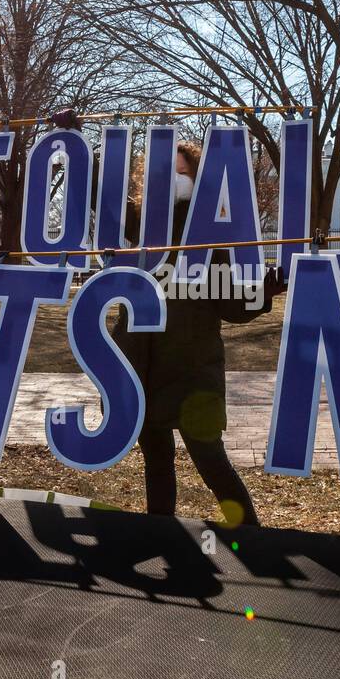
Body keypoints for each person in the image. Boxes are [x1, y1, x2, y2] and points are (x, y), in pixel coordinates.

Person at [114, 140, 284, 527]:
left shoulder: (212, 234)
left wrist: (264, 292)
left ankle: (251, 535)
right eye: (168, 172)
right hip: (143, 365)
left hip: (192, 370)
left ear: (198, 177)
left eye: (183, 171)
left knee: (210, 460)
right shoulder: (139, 225)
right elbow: (102, 195)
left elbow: (231, 304)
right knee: (156, 459)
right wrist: (77, 148)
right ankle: (161, 531)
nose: (175, 179)